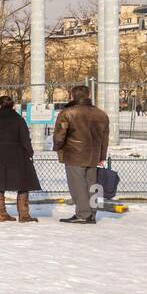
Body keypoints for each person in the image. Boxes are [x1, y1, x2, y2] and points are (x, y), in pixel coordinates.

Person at [52, 84, 110, 224]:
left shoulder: (67, 113)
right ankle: (92, 214)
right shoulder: (101, 114)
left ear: (72, 96)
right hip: (94, 154)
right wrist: (102, 156)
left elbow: (59, 135)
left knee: (77, 185)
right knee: (92, 185)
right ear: (89, 95)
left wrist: (58, 147)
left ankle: (83, 214)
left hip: (74, 154)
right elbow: (105, 138)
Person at [0, 95, 40, 223]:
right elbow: (25, 139)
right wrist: (29, 153)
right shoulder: (19, 120)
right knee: (23, 184)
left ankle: (2, 214)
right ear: (13, 106)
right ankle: (24, 215)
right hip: (18, 155)